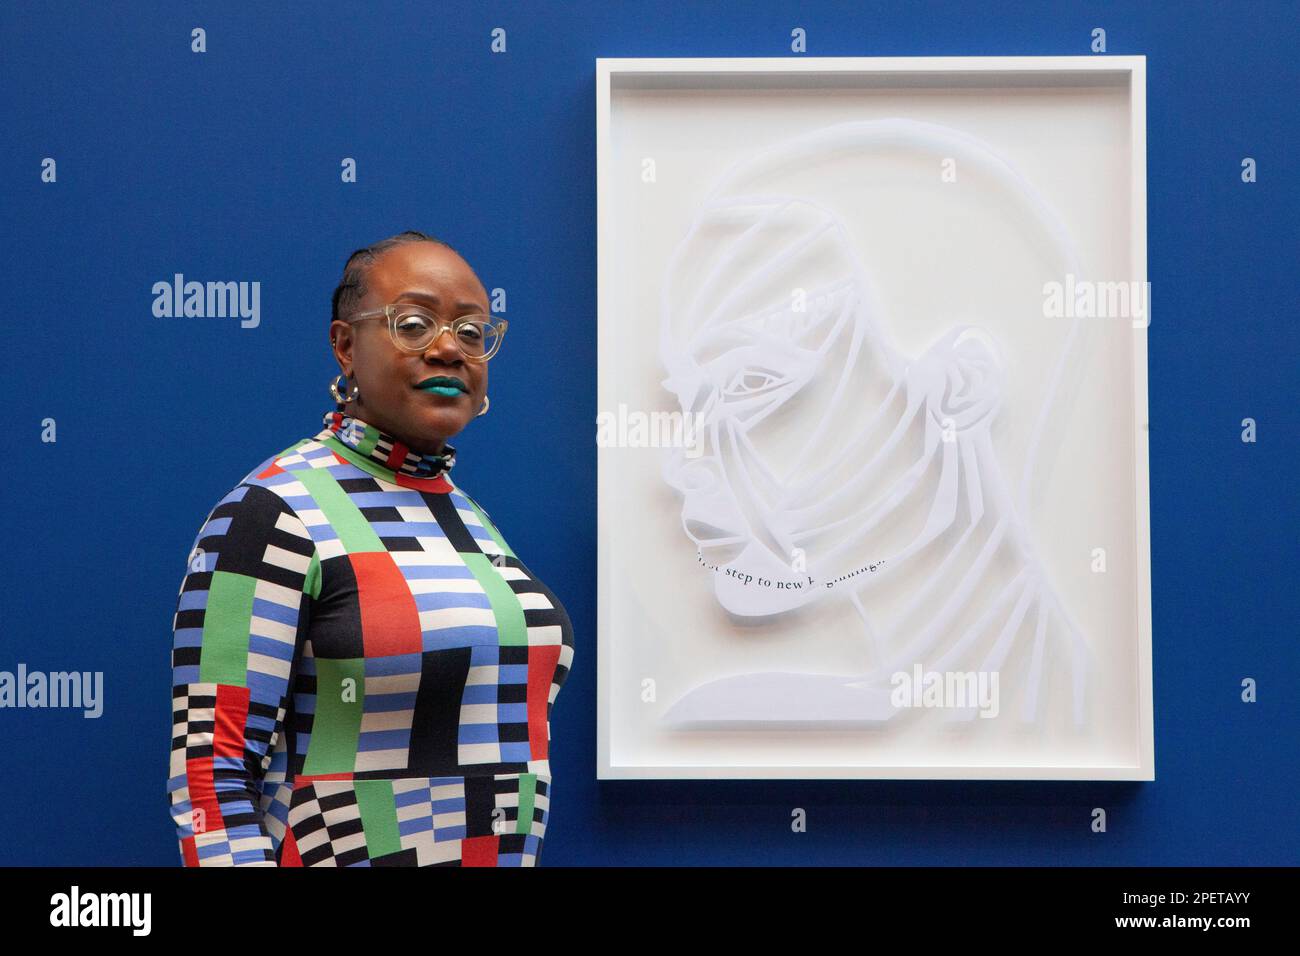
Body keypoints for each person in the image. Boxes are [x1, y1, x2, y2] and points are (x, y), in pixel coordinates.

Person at [166, 231, 574, 866]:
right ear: (345, 346)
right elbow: (208, 780)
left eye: (472, 331)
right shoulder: (274, 510)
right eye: (413, 323)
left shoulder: (471, 520)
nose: (449, 348)